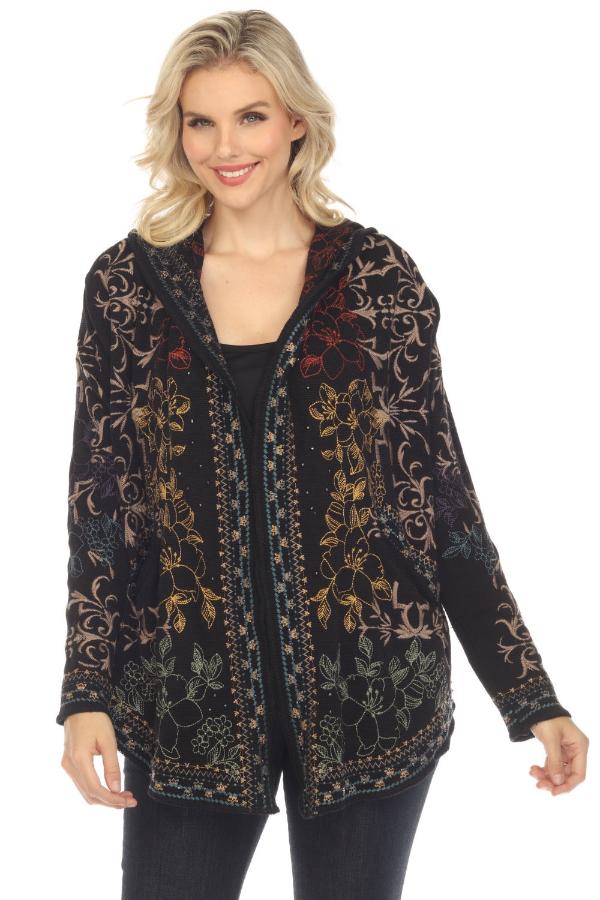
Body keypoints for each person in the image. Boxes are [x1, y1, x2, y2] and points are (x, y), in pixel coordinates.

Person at [56, 10, 589, 900]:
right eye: (200, 121)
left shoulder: (378, 280)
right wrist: (85, 693)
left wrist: (531, 697)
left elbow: (442, 499)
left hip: (371, 695)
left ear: (297, 120)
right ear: (176, 131)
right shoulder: (126, 286)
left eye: (251, 117)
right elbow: (100, 508)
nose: (225, 147)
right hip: (185, 698)